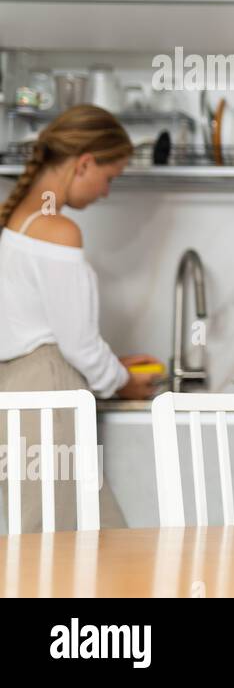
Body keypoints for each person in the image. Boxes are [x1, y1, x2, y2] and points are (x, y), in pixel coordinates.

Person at [0, 105, 161, 531]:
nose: (107, 191)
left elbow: (50, 334)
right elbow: (77, 345)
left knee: (84, 539)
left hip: (26, 394)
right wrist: (123, 382)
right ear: (84, 162)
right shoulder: (57, 229)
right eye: (109, 178)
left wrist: (113, 367)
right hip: (46, 397)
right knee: (59, 546)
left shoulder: (21, 222)